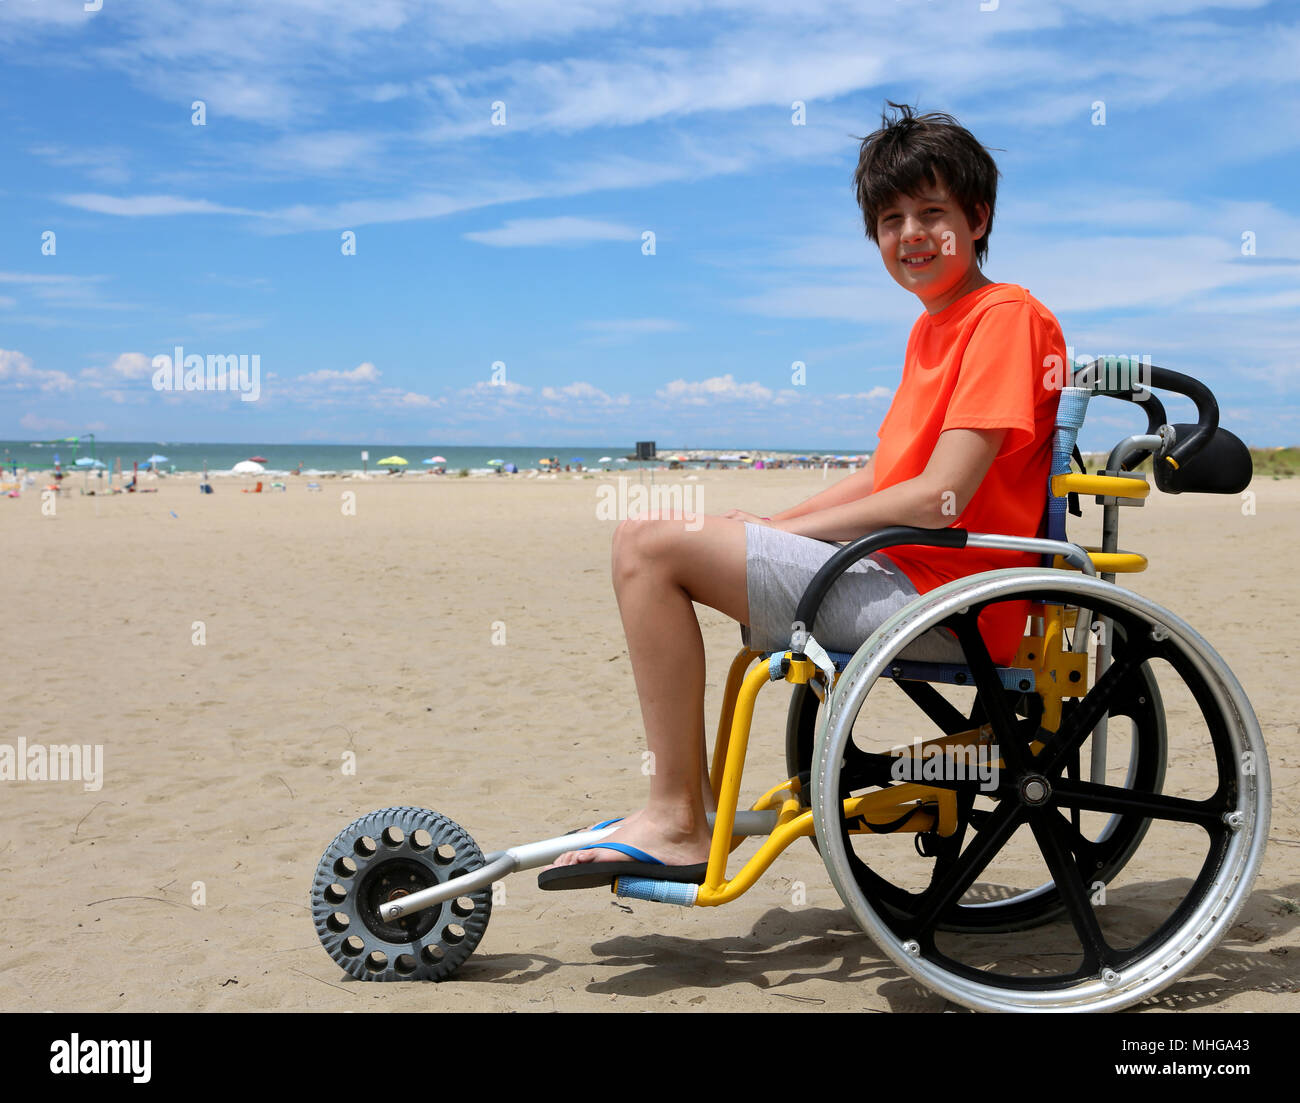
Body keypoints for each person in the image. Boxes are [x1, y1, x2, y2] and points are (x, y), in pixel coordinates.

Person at [540, 102, 1066, 890]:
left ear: (978, 216)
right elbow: (889, 477)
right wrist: (772, 523)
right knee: (678, 535)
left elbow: (941, 497)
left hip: (944, 600)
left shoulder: (1004, 316)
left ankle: (678, 817)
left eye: (932, 213)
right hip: (905, 577)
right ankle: (682, 807)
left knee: (645, 545)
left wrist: (805, 530)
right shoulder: (935, 328)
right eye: (891, 220)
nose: (911, 235)